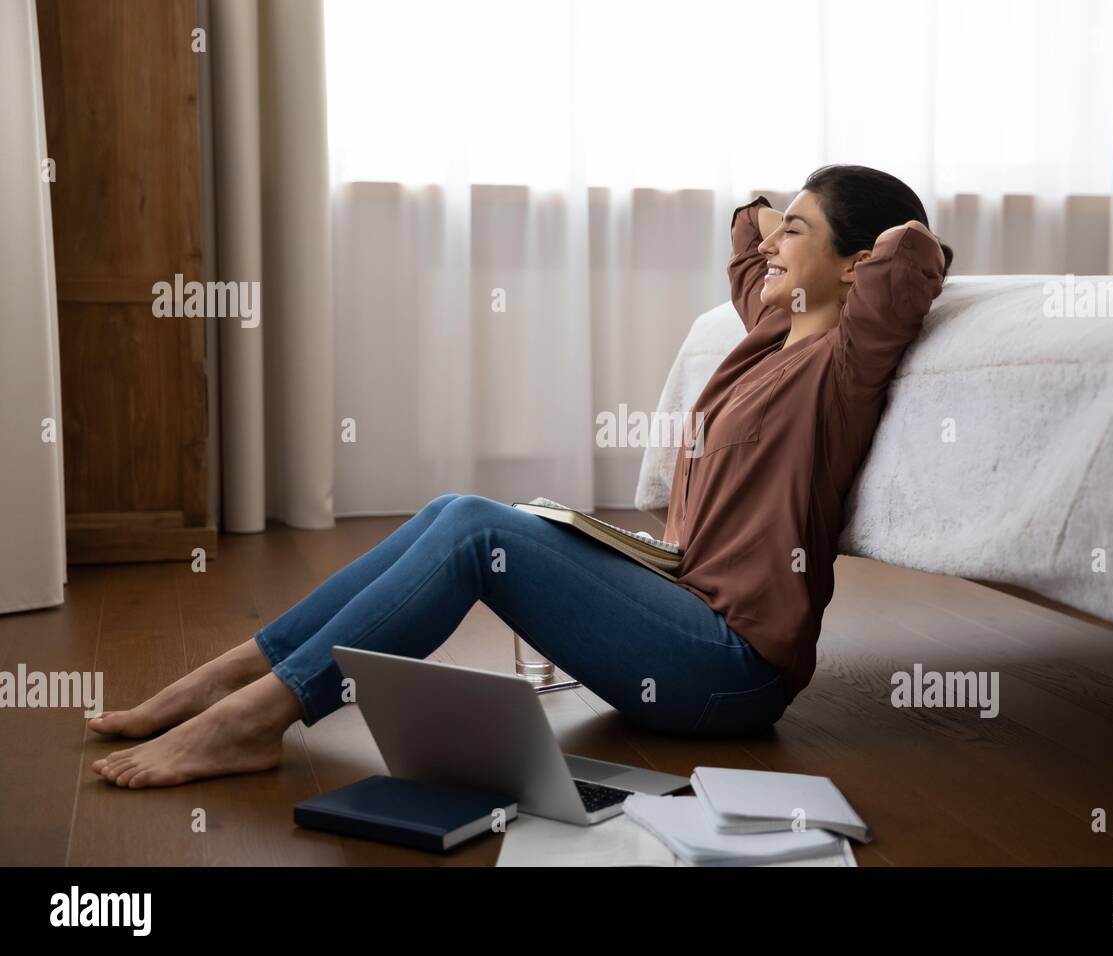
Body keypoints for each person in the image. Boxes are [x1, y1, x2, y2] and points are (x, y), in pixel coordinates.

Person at [89, 164, 949, 788]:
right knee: (450, 509)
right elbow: (746, 248)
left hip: (730, 668)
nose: (771, 250)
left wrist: (854, 227)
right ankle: (238, 675)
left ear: (854, 264)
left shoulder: (846, 360)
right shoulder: (772, 330)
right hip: (681, 604)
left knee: (476, 532)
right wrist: (777, 214)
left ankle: (256, 718)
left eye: (799, 233)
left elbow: (912, 259)